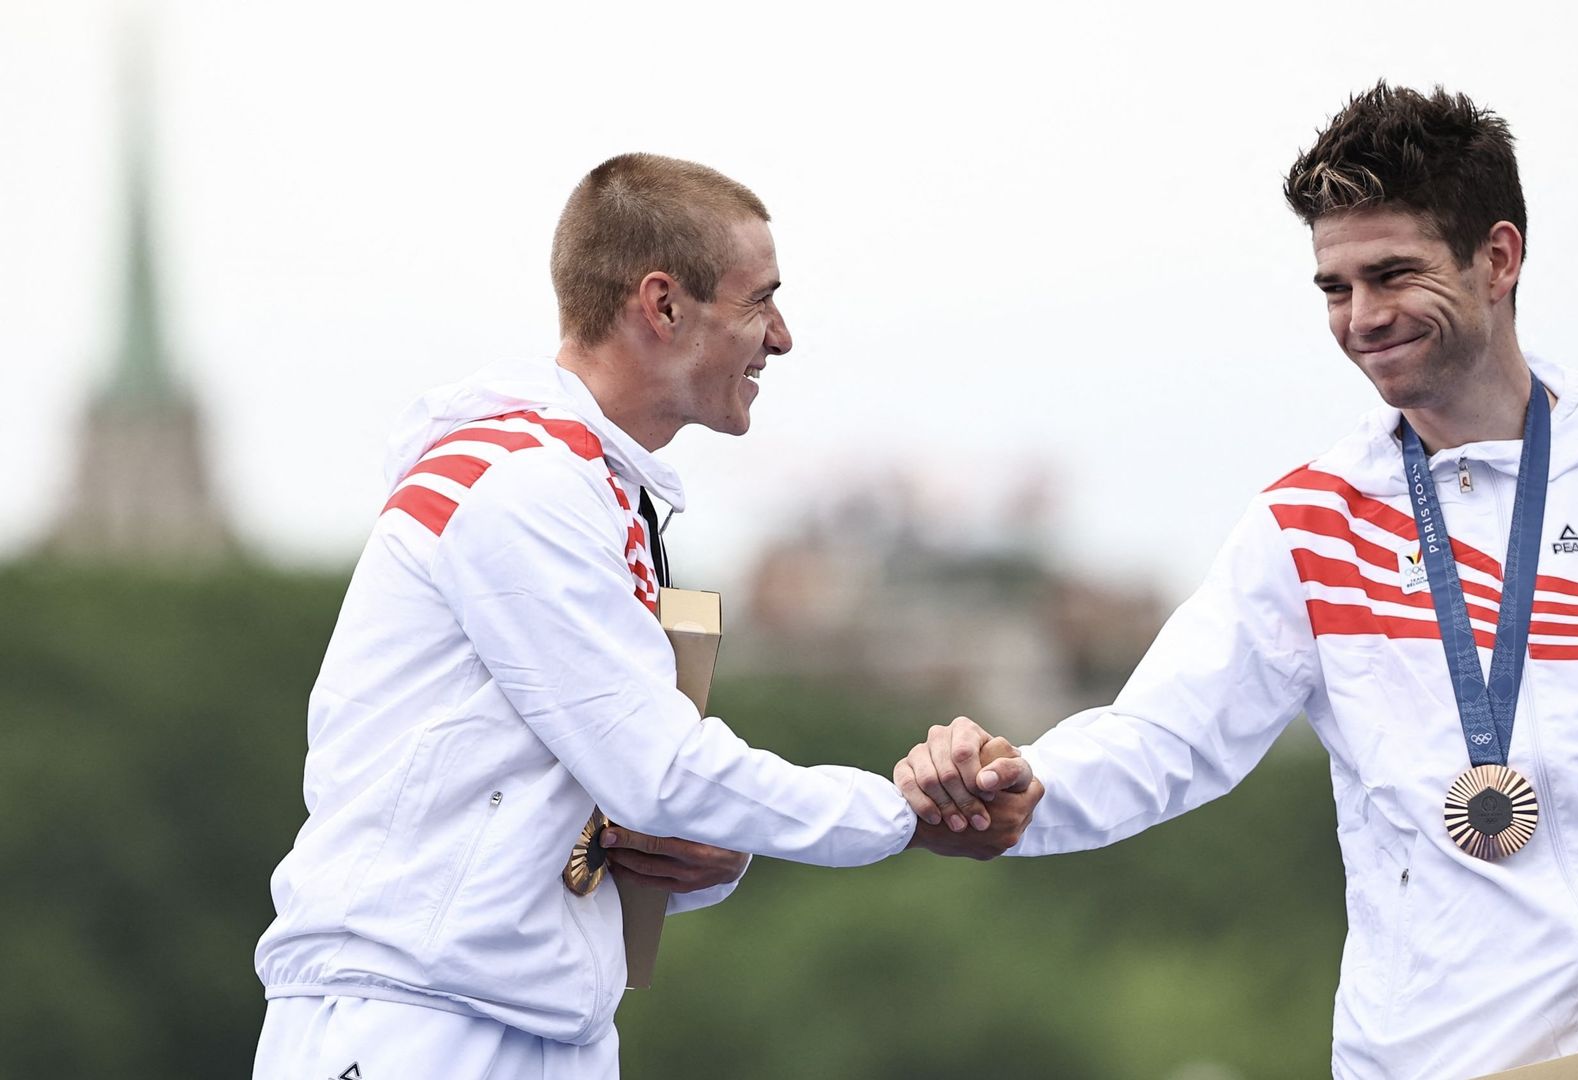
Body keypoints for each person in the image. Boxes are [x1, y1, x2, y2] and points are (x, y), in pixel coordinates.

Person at [896, 84, 1578, 1080]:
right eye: (1335, 287)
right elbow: (1161, 742)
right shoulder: (1311, 520)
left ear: (1500, 259)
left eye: (1392, 275)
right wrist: (1017, 791)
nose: (1362, 318)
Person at [251, 153, 1039, 1080]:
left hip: (530, 1024)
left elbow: (591, 799)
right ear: (662, 305)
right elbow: (657, 767)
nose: (781, 337)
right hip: (412, 1028)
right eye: (760, 301)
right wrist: (896, 814)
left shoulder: (586, 485)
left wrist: (708, 857)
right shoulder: (523, 485)